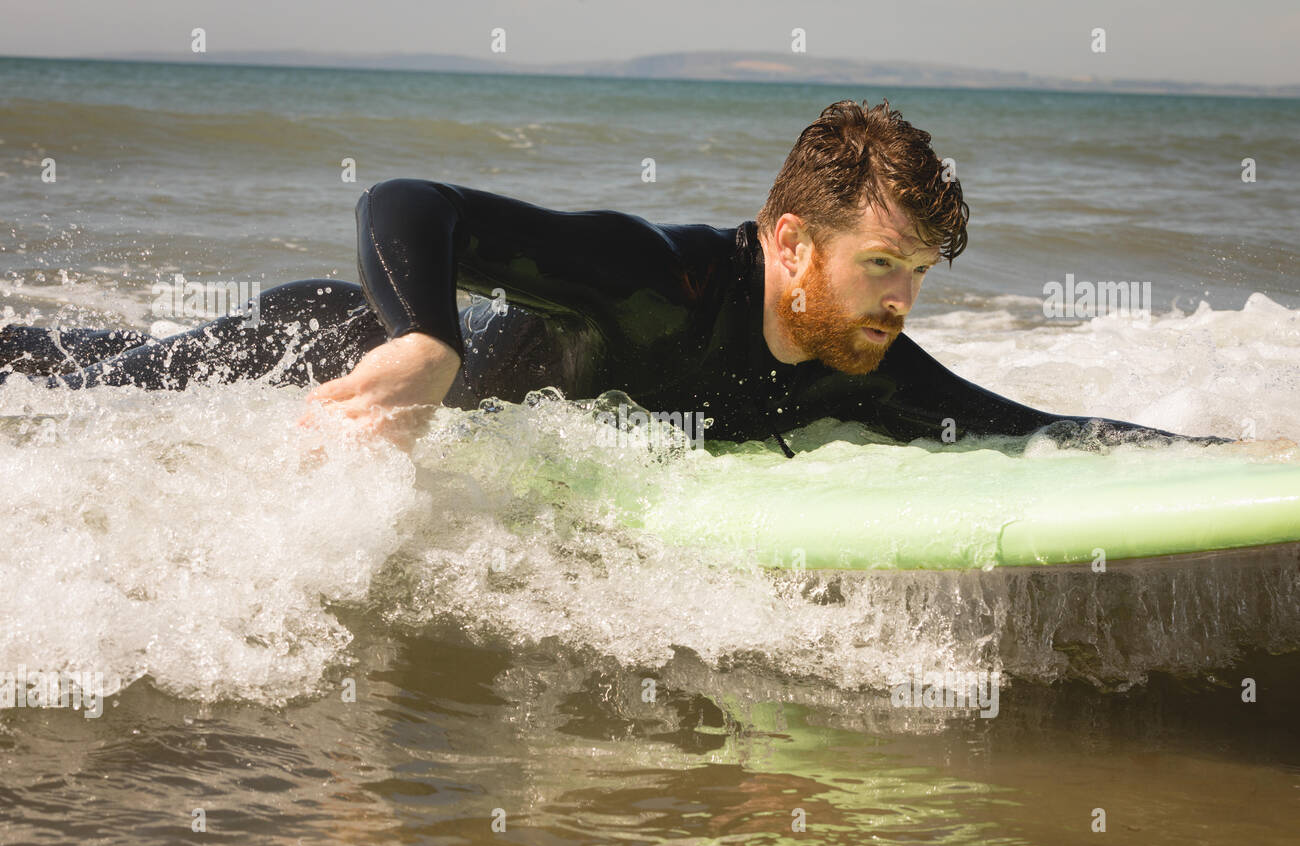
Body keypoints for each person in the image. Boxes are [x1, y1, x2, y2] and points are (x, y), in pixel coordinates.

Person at [0, 100, 1236, 455]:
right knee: (77, 375)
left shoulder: (867, 366)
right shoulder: (660, 280)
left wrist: (1228, 458)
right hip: (333, 347)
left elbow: (1030, 427)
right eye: (881, 267)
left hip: (391, 369)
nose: (901, 300)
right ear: (791, 242)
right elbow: (405, 202)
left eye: (915, 274)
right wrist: (422, 340)